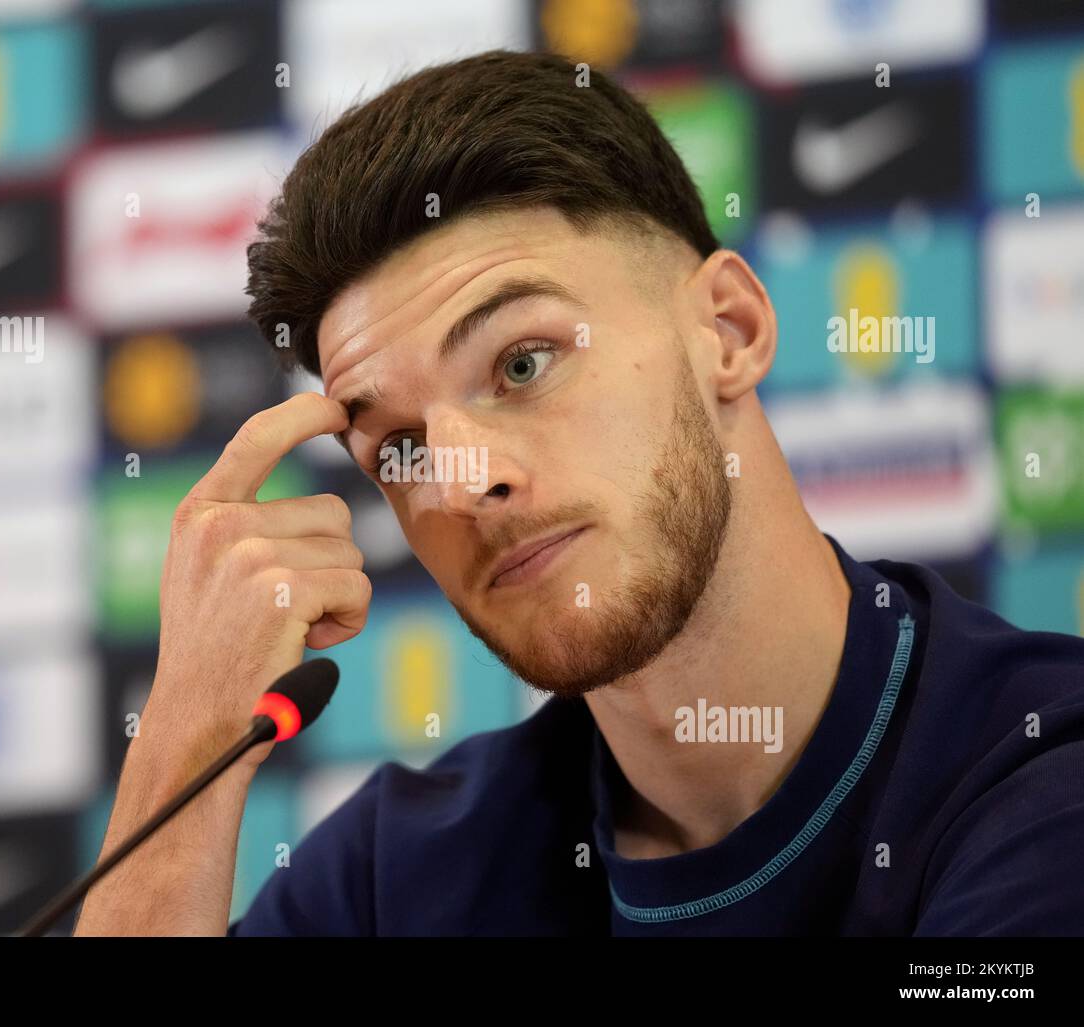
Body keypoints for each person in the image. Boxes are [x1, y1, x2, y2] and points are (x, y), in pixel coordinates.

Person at [74, 50, 1084, 937]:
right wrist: (189, 733)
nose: (465, 485)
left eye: (522, 363)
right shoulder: (395, 878)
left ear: (726, 332)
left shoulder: (1040, 782)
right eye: (402, 447)